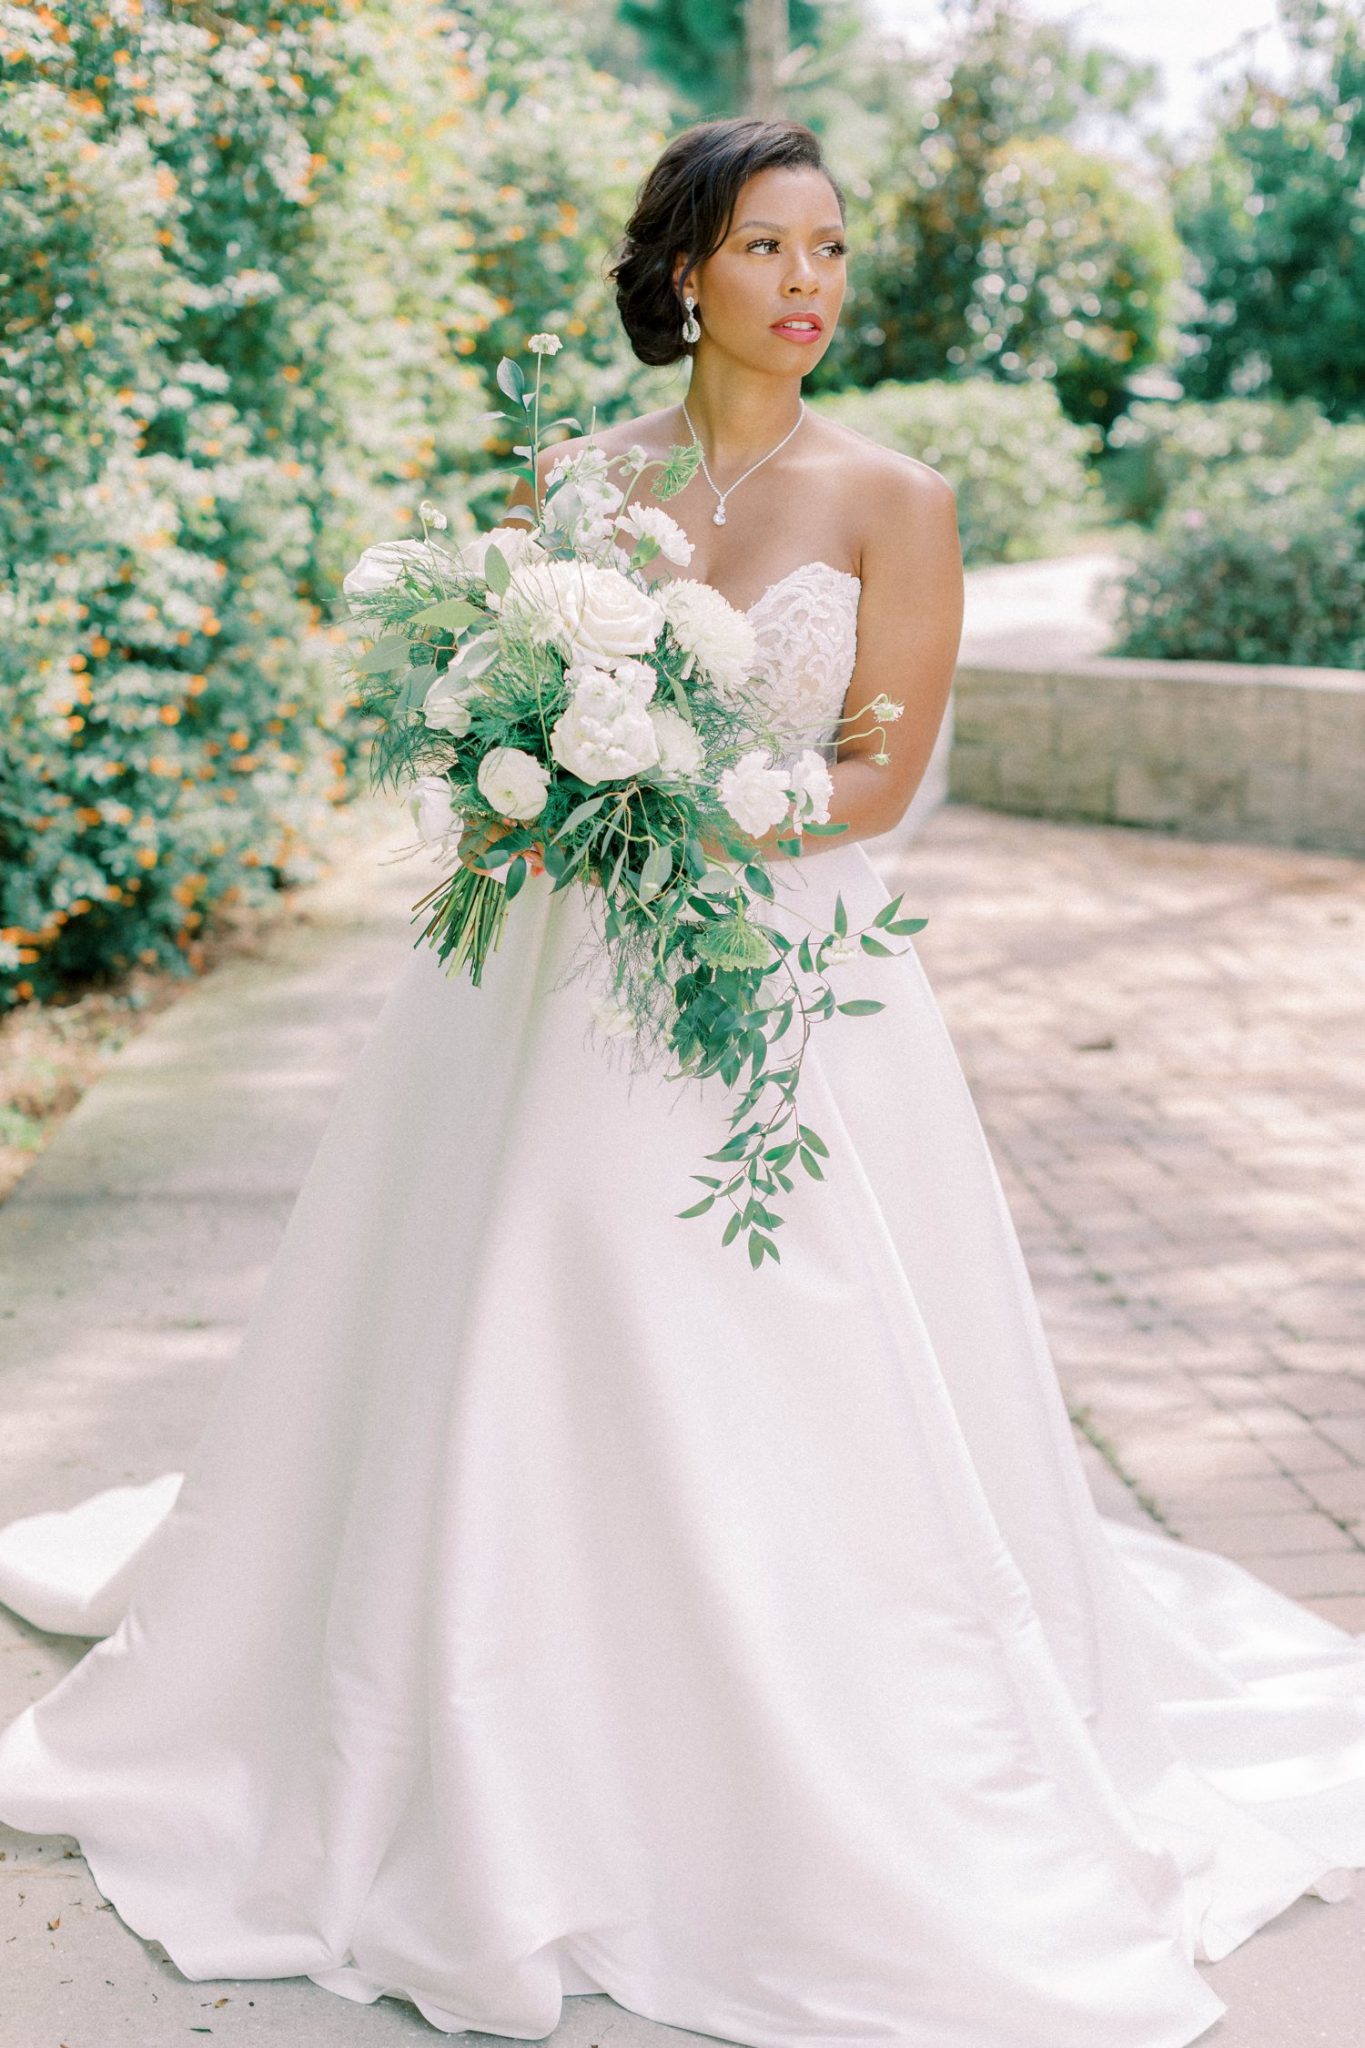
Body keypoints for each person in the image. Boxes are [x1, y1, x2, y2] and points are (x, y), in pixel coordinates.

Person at [1, 114, 1364, 2048]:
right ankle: (496, 1699)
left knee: (782, 1341)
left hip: (790, 976)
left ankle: (776, 1724)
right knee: (517, 1310)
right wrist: (534, 773)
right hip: (554, 975)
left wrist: (703, 803)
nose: (808, 284)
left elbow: (882, 772)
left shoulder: (895, 495)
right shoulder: (578, 481)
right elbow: (497, 703)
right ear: (686, 272)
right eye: (768, 248)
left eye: (828, 252)